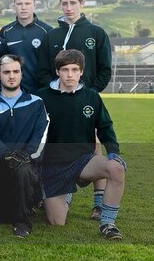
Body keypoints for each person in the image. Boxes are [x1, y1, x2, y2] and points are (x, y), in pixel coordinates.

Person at [36, 0, 113, 219]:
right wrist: (55, 92)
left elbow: (104, 70)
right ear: (60, 5)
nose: (68, 8)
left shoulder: (96, 33)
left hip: (85, 102)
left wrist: (88, 94)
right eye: (64, 3)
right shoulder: (51, 35)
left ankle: (99, 201)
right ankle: (63, 189)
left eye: (73, 3)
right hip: (57, 101)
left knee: (94, 143)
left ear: (82, 3)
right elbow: (43, 70)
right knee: (56, 144)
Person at [37, 49, 125, 240]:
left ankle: (108, 224)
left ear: (82, 72)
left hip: (83, 161)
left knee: (116, 168)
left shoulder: (91, 97)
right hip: (54, 165)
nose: (70, 75)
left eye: (75, 70)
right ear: (57, 71)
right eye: (65, 70)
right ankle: (65, 194)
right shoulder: (42, 97)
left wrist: (113, 151)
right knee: (57, 222)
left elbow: (105, 127)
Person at [0, 54, 49, 238]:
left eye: (15, 71)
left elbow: (41, 135)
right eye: (6, 72)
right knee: (1, 217)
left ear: (21, 74)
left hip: (27, 165)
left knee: (23, 169)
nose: (11, 76)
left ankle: (22, 222)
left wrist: (27, 156)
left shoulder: (36, 102)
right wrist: (7, 155)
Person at [0, 0, 53, 94]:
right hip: (13, 92)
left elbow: (52, 64)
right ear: (14, 6)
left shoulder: (47, 31)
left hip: (40, 91)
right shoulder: (5, 32)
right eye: (19, 4)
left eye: (27, 3)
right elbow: (0, 64)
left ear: (34, 5)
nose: (23, 7)